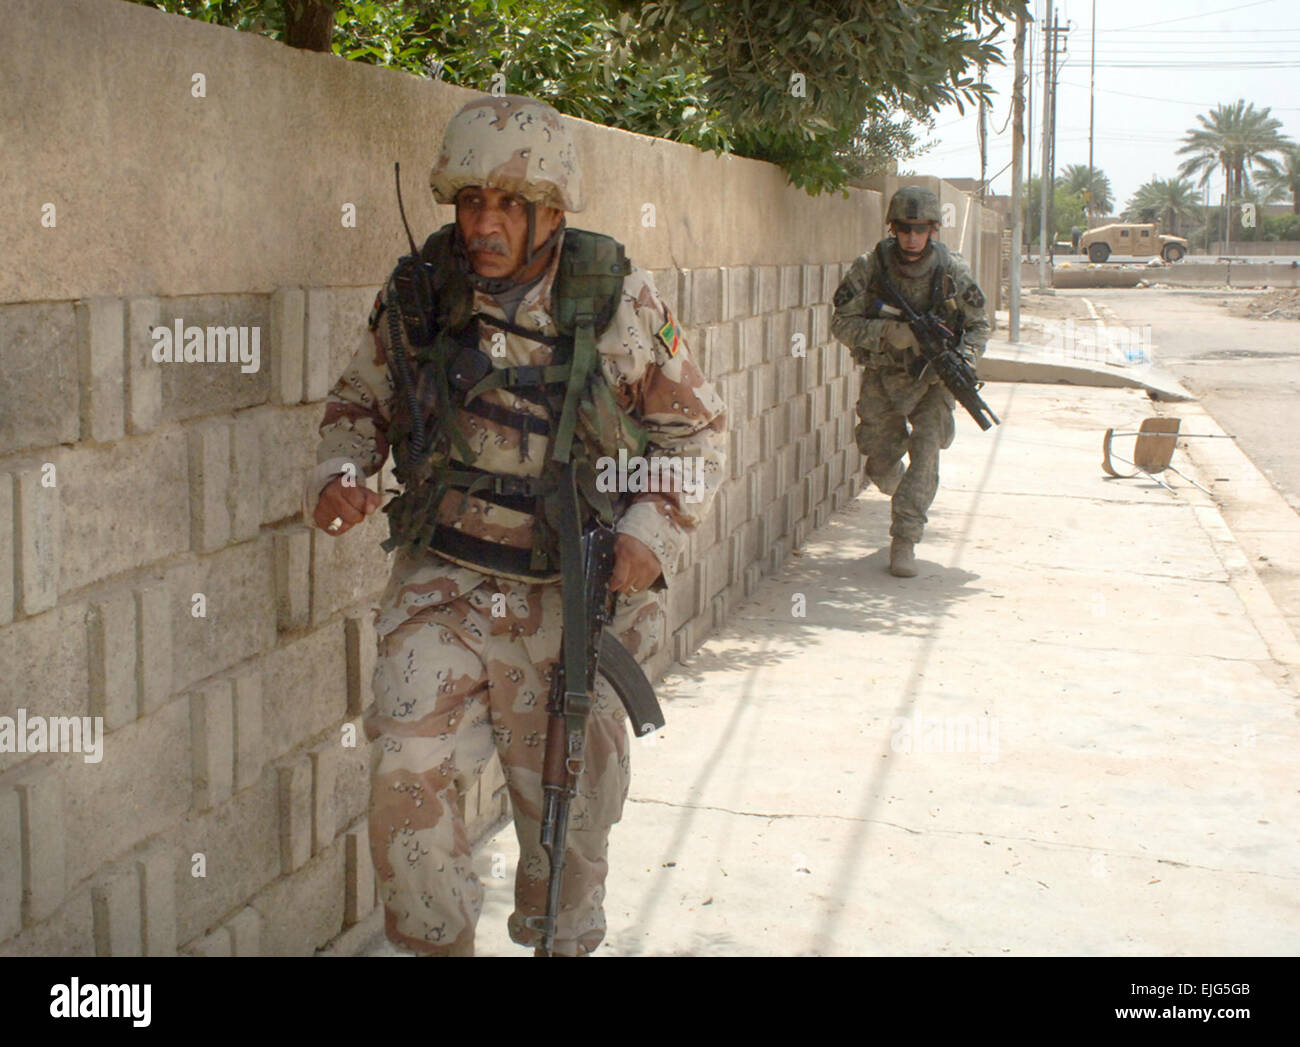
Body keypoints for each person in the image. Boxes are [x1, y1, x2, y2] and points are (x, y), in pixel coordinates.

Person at [305, 94, 726, 956]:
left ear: (552, 212)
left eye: (506, 205)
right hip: (445, 581)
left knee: (566, 820)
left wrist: (651, 532)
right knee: (404, 775)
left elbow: (699, 432)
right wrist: (343, 472)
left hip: (569, 590)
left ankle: (559, 939)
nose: (483, 224)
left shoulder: (613, 294)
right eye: (469, 203)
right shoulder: (421, 291)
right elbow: (358, 403)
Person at [831, 186, 989, 577]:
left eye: (920, 229)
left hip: (934, 381)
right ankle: (903, 491)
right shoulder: (870, 267)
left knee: (927, 451)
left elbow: (979, 325)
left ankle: (905, 538)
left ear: (933, 230)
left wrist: (963, 360)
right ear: (893, 228)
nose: (912, 237)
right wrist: (889, 334)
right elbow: (841, 323)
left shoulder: (953, 270)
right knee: (880, 465)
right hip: (884, 376)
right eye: (904, 228)